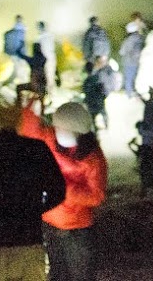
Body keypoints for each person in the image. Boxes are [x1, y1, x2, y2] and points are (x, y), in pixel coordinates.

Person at [0, 106, 67, 281]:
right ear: (19, 122)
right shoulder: (36, 149)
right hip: (28, 240)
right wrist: (35, 211)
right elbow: (58, 192)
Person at [19, 99, 107, 281]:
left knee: (81, 275)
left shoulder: (93, 158)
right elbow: (29, 135)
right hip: (50, 223)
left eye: (64, 129)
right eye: (58, 127)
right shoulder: (50, 139)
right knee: (58, 273)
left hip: (76, 229)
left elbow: (96, 196)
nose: (59, 131)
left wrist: (63, 188)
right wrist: (31, 112)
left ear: (79, 131)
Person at [118, 15, 146, 97]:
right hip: (138, 61)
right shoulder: (141, 38)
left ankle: (129, 96)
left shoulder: (128, 40)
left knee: (128, 79)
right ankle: (136, 93)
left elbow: (122, 52)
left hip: (129, 62)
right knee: (135, 79)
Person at [80, 60, 109, 131]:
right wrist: (103, 97)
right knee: (103, 114)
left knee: (92, 117)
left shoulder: (86, 82)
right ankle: (106, 125)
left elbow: (84, 91)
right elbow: (103, 90)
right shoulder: (98, 78)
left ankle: (95, 129)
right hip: (99, 102)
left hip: (91, 103)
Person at [4, 16, 31, 85]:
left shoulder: (18, 29)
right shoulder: (20, 29)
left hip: (17, 53)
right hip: (18, 53)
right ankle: (22, 82)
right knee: (19, 68)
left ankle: (20, 82)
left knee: (19, 68)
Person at [35, 21, 59, 88]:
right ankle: (52, 90)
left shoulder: (38, 37)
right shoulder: (51, 35)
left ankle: (49, 90)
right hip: (51, 56)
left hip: (44, 58)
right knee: (51, 75)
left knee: (47, 75)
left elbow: (37, 49)